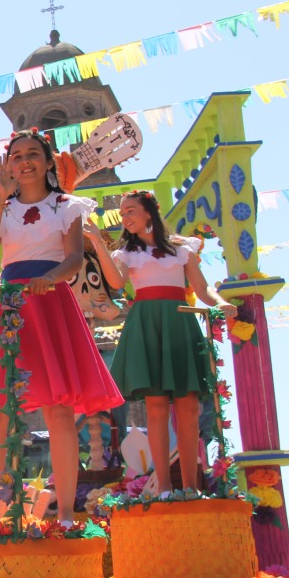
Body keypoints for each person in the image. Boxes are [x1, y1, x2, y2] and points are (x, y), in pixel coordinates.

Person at [0, 128, 123, 527]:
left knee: (59, 409)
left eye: (33, 154)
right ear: (8, 165)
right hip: (10, 307)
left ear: (48, 161)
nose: (24, 161)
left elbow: (74, 259)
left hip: (51, 302)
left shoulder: (67, 205)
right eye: (17, 155)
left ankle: (68, 515)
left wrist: (51, 278)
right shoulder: (2, 208)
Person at [87, 189, 237, 493]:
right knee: (155, 405)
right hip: (145, 324)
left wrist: (219, 303)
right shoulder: (125, 252)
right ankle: (166, 487)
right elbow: (116, 282)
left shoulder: (183, 248)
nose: (125, 217)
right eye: (123, 212)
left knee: (188, 405)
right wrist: (96, 243)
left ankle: (193, 485)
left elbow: (202, 287)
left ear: (149, 212)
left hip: (179, 321)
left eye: (131, 210)